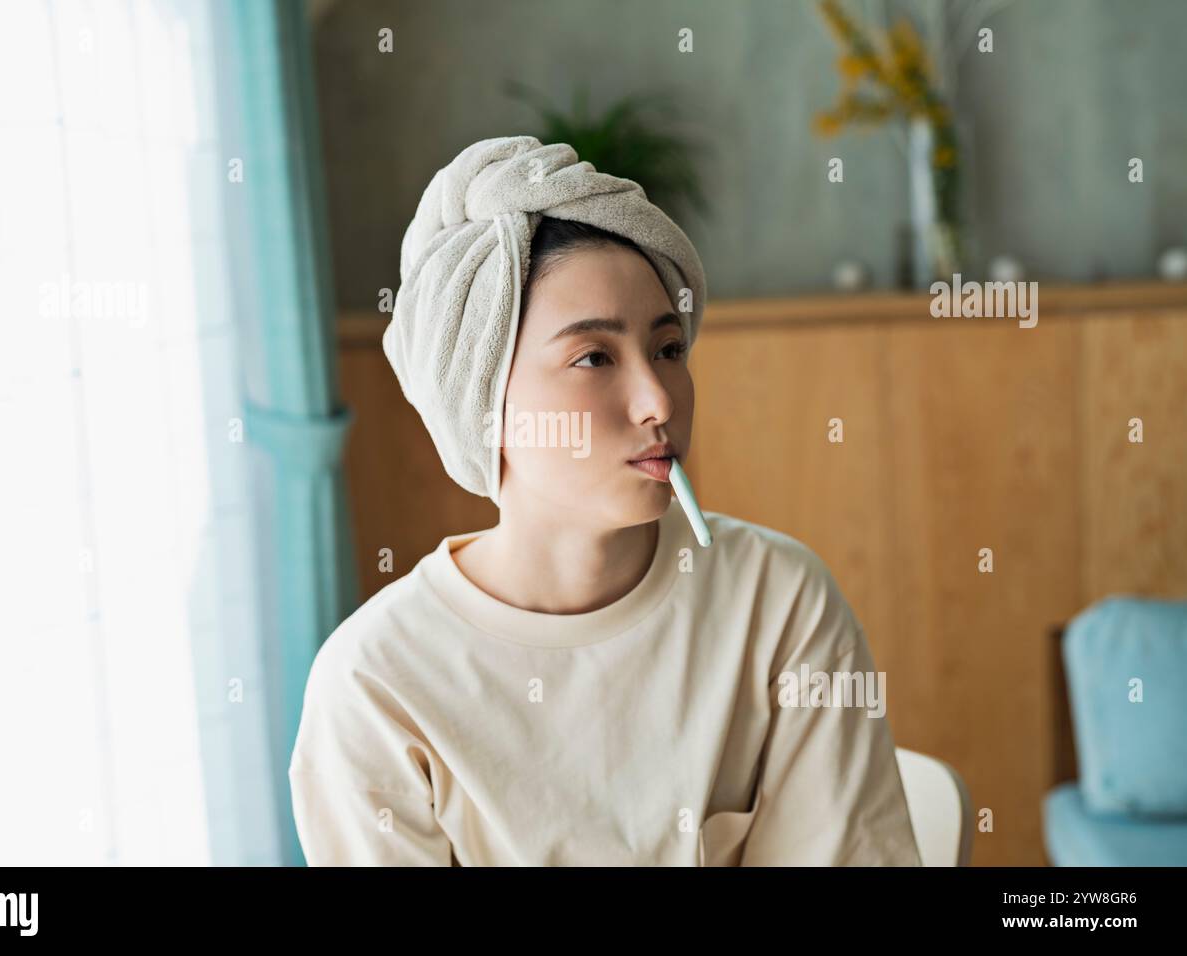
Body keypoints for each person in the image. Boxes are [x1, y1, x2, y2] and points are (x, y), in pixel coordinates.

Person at [288, 136, 921, 866]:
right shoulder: (378, 684)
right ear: (483, 401)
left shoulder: (777, 603)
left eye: (668, 349)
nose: (658, 400)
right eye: (593, 357)